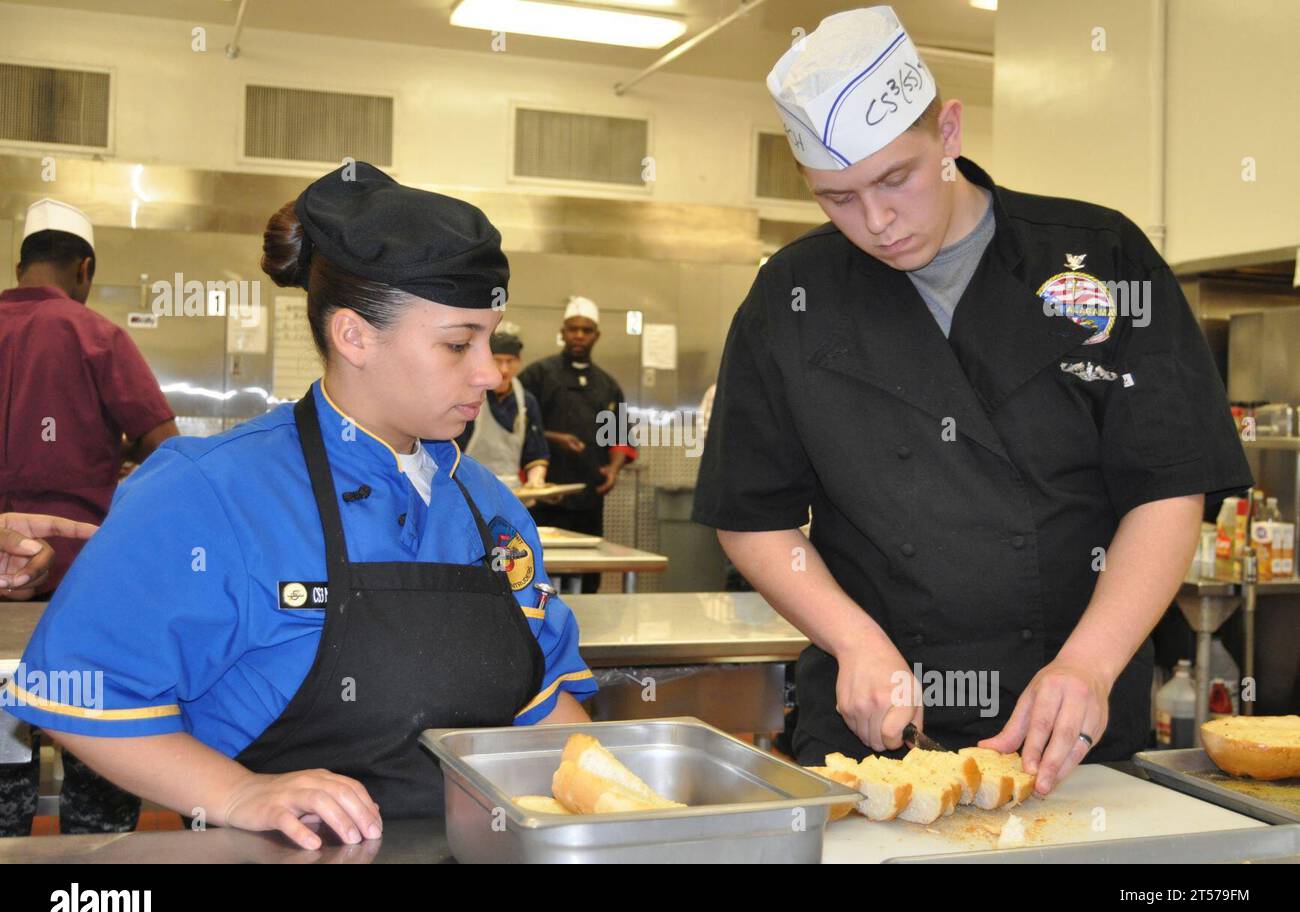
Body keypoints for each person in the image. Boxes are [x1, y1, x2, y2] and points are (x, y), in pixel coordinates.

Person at [692, 6, 1252, 794]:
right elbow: (752, 516)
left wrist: (1089, 664)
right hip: (869, 733)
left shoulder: (1101, 254)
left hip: (1073, 728)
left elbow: (1167, 485)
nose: (877, 222)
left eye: (896, 179)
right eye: (838, 198)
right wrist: (851, 639)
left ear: (949, 133)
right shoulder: (792, 295)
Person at [3, 162, 597, 849]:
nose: (490, 371)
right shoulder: (212, 490)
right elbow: (75, 688)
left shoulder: (490, 507)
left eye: (490, 341)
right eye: (458, 343)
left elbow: (543, 705)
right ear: (354, 336)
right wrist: (238, 791)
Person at [0, 199, 178, 597]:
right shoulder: (97, 336)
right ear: (83, 270)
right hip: (72, 568)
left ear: (19, 269)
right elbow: (168, 448)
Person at [519, 296, 637, 592]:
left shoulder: (607, 385)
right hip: (542, 499)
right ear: (563, 331)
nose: (579, 336)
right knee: (538, 575)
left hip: (588, 500)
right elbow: (515, 429)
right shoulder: (537, 376)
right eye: (573, 329)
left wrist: (613, 469)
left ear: (596, 335)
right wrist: (554, 437)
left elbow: (621, 437)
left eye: (586, 330)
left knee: (587, 579)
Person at [456, 329, 549, 487]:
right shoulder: (467, 397)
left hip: (512, 492)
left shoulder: (527, 402)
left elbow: (536, 454)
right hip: (470, 488)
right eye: (498, 360)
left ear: (519, 361)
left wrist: (536, 479)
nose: (504, 369)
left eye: (510, 361)